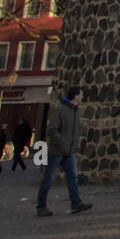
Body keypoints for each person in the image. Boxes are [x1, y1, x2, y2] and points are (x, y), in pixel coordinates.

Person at [36, 86, 93, 217]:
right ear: (76, 96)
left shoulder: (76, 111)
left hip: (69, 152)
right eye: (81, 94)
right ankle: (41, 206)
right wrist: (62, 143)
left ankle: (76, 203)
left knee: (73, 177)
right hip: (56, 151)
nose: (83, 97)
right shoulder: (60, 110)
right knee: (48, 178)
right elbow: (52, 129)